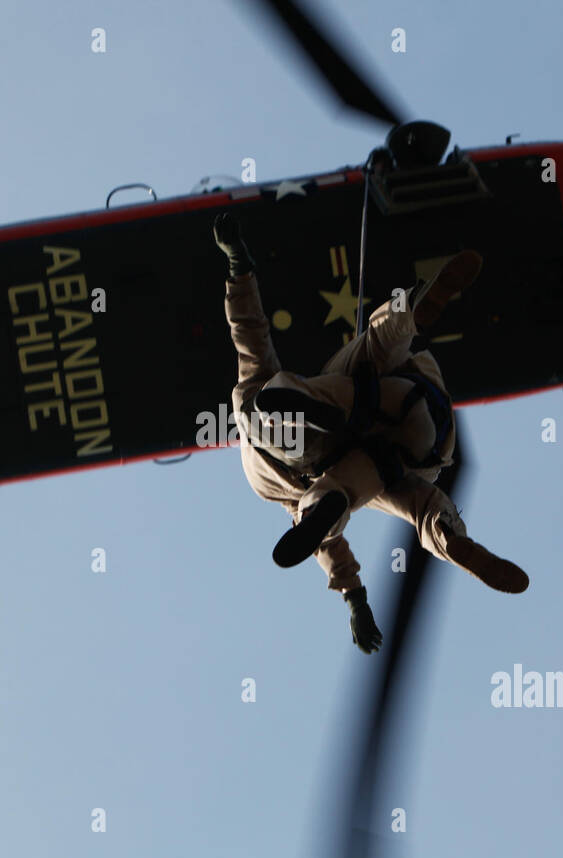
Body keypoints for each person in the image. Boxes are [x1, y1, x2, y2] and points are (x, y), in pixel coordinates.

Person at [214, 212, 528, 655]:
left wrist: (355, 599)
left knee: (379, 502)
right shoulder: (255, 390)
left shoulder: (290, 487)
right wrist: (237, 264)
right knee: (373, 350)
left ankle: (448, 534)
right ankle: (405, 319)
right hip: (402, 401)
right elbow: (248, 329)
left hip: (415, 445)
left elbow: (328, 546)